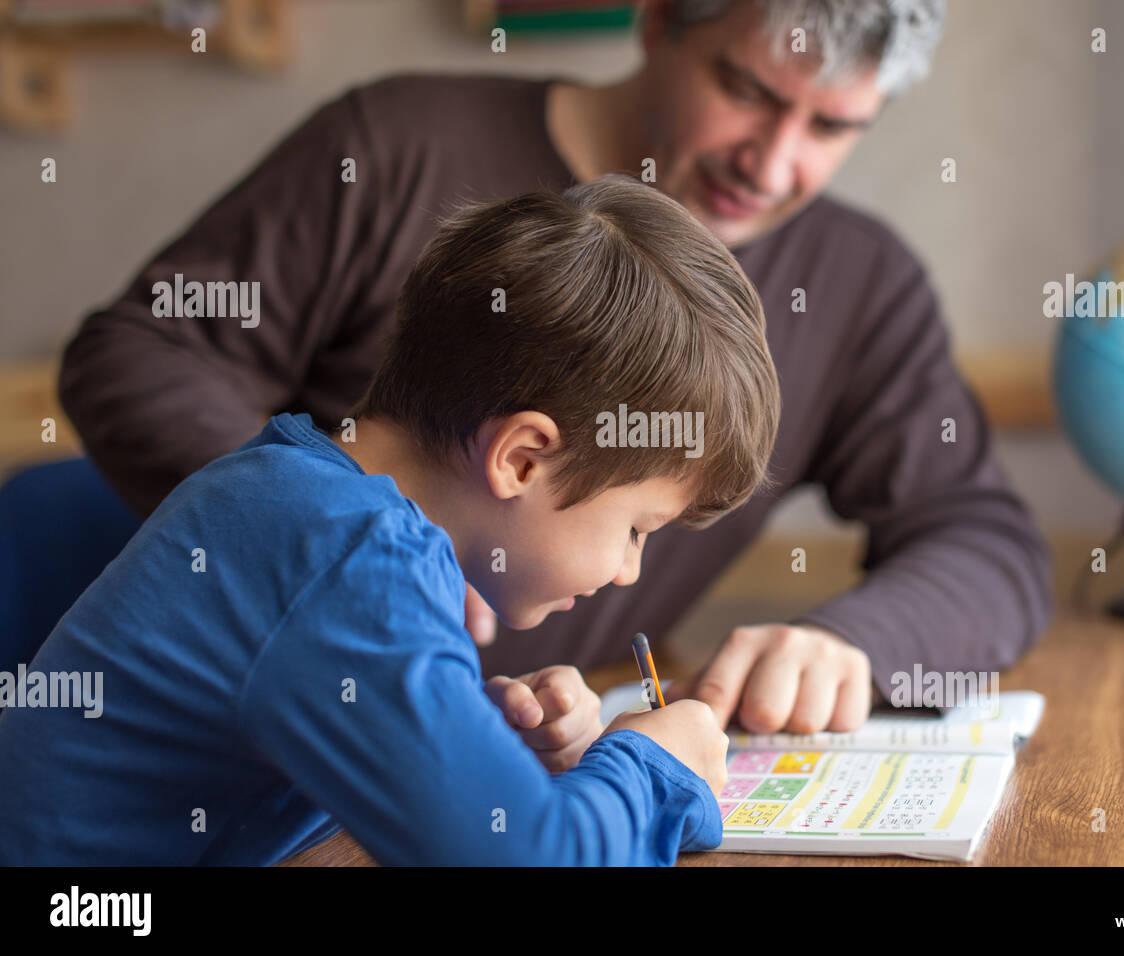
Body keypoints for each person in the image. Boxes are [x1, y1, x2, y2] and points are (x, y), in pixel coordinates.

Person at [45, 0, 1050, 735]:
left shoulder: (856, 284)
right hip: (281, 735)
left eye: (831, 126)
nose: (773, 161)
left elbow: (982, 537)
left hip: (518, 741)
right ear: (657, 23)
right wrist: (337, 550)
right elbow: (139, 347)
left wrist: (855, 642)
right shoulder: (392, 145)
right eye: (744, 90)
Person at [0, 176, 778, 865]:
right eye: (638, 528)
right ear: (522, 459)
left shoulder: (294, 483)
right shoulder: (354, 557)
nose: (628, 569)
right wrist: (653, 765)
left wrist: (487, 755)